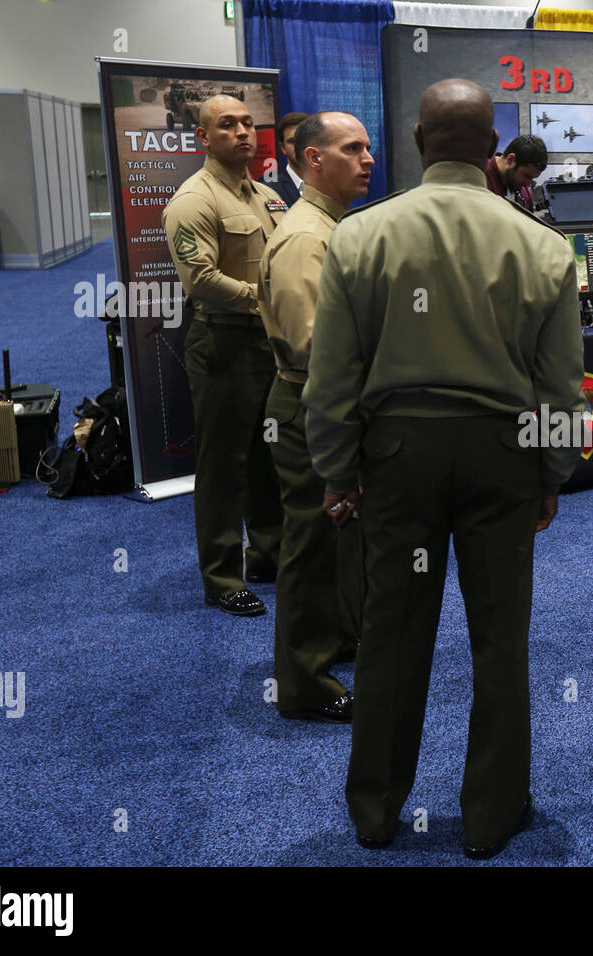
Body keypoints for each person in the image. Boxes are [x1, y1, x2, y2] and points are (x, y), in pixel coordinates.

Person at [303, 79, 584, 858]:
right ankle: (492, 816)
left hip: (397, 458)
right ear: (492, 147)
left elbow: (333, 379)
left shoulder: (359, 237)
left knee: (391, 633)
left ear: (419, 142)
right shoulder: (544, 246)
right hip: (503, 457)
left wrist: (336, 471)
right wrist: (551, 475)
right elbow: (561, 385)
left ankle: (376, 811)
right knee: (501, 639)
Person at [258, 111, 374, 721]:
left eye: (368, 148)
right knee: (309, 544)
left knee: (337, 536)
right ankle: (303, 684)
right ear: (313, 160)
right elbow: (314, 349)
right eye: (352, 148)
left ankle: (333, 640)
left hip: (320, 401)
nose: (367, 159)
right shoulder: (308, 236)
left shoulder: (327, 225)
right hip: (311, 403)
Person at [162, 95, 286, 617]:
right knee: (223, 463)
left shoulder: (265, 195)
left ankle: (267, 555)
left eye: (247, 123)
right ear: (203, 138)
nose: (241, 132)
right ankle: (220, 576)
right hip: (222, 342)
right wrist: (271, 302)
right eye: (227, 124)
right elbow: (203, 280)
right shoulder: (194, 199)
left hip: (265, 342)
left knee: (266, 455)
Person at [256, 111, 309, 207]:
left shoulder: (329, 184)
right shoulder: (268, 188)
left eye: (304, 139)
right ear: (283, 148)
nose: (299, 146)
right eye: (292, 141)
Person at [484, 134, 546, 210]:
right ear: (510, 160)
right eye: (526, 176)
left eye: (532, 178)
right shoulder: (479, 179)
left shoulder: (525, 193)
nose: (528, 184)